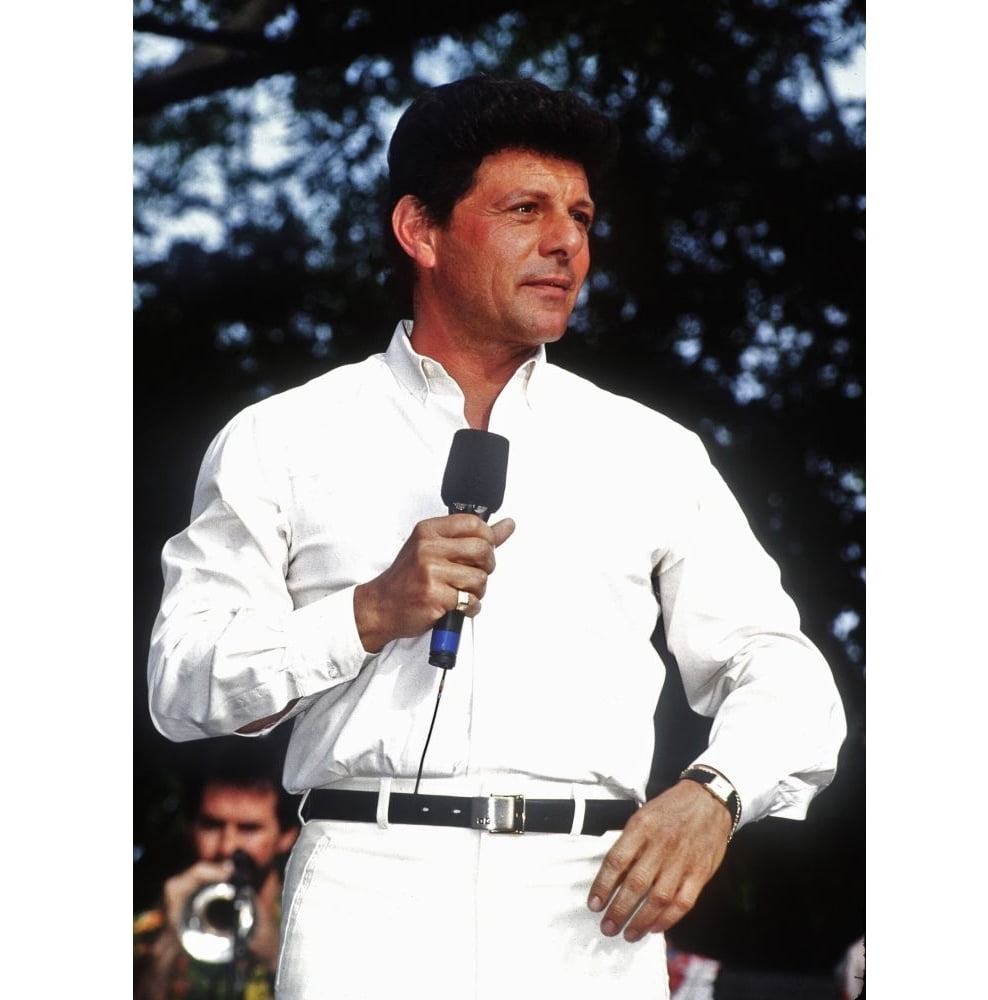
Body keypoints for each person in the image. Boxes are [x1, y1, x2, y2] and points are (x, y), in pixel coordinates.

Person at [147, 75, 847, 999]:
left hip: (591, 909)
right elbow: (181, 681)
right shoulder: (282, 437)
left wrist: (715, 794)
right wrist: (363, 613)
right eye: (526, 209)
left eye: (583, 217)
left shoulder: (651, 452)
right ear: (421, 231)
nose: (566, 243)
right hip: (365, 897)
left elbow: (783, 669)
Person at [134, 737, 299, 1000]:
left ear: (287, 835)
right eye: (211, 825)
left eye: (249, 828)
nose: (227, 846)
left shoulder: (309, 927)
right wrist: (166, 945)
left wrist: (277, 957)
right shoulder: (145, 931)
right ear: (192, 827)